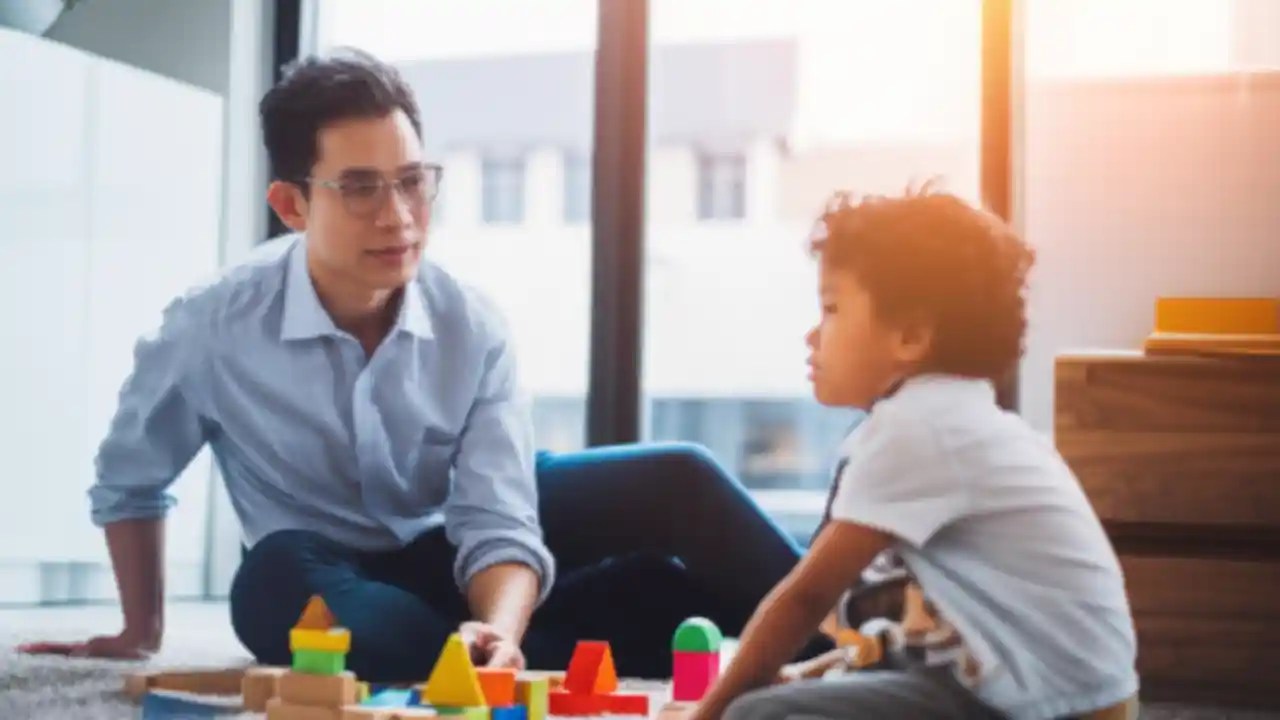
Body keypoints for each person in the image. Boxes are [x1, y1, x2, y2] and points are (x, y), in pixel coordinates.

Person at [17, 48, 825, 682]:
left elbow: (499, 519)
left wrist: (501, 628)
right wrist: (142, 629)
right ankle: (588, 634)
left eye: (412, 182)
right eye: (361, 188)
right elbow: (131, 478)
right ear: (293, 206)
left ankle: (856, 636)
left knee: (674, 473)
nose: (398, 217)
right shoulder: (211, 326)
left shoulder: (472, 326)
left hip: (457, 549)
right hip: (332, 577)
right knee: (271, 580)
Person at [688, 187, 1139, 719]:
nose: (812, 335)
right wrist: (812, 675)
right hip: (1074, 698)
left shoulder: (917, 428)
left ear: (911, 336)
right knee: (795, 692)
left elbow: (805, 600)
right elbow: (914, 632)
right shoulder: (957, 419)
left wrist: (708, 713)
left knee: (757, 716)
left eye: (831, 308)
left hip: (1051, 710)